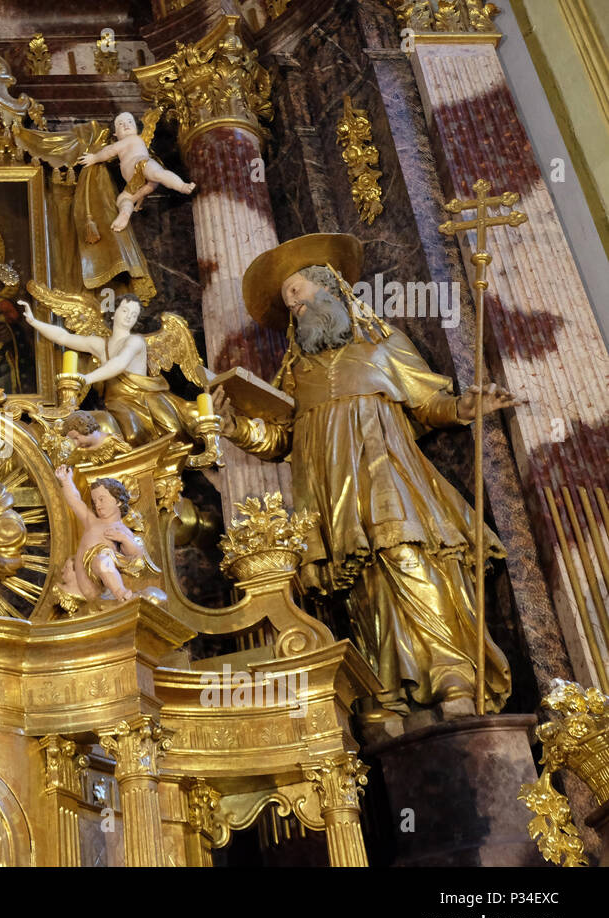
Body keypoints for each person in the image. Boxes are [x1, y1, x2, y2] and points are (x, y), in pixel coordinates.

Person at [217, 232, 518, 716]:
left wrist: (464, 406)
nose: (293, 306)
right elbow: (278, 440)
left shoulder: (385, 344)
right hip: (331, 500)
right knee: (362, 589)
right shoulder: (296, 373)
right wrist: (232, 425)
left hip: (388, 478)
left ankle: (456, 680)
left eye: (297, 292)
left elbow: (427, 404)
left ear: (329, 287)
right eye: (287, 301)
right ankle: (389, 694)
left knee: (408, 556)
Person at [19, 293, 200, 444]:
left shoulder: (135, 341)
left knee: (172, 432)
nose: (129, 316)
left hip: (145, 400)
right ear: (114, 313)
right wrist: (34, 322)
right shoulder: (100, 344)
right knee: (124, 435)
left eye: (134, 314)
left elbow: (119, 363)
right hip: (117, 403)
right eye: (125, 310)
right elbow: (64, 337)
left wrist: (87, 378)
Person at [78, 111, 195, 232]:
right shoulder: (123, 142)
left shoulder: (133, 139)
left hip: (142, 165)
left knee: (158, 174)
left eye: (130, 122)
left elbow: (109, 150)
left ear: (137, 129)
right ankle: (125, 213)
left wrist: (94, 158)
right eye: (120, 124)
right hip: (138, 182)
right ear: (115, 133)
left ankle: (182, 186)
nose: (126, 125)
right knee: (123, 200)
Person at [55, 465, 158, 602]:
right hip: (83, 581)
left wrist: (123, 540)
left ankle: (121, 593)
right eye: (95, 501)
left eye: (102, 499)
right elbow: (75, 501)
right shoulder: (91, 520)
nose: (97, 505)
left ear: (118, 501)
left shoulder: (121, 530)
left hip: (98, 577)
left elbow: (136, 554)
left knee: (102, 559)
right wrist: (66, 481)